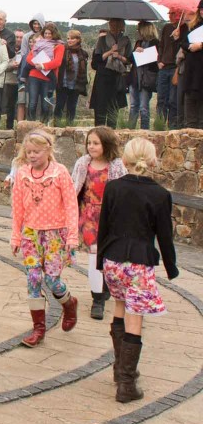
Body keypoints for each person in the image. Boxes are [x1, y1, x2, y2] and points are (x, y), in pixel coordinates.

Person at [97, 138, 177, 404]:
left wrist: (100, 263)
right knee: (135, 317)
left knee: (119, 306)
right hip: (139, 264)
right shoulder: (160, 195)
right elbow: (164, 236)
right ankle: (127, 384)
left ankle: (120, 370)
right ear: (152, 161)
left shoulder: (113, 188)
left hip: (113, 261)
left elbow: (104, 227)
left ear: (126, 160)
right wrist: (171, 265)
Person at [10, 130, 80, 348]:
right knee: (32, 279)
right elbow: (17, 208)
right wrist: (16, 236)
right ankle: (38, 328)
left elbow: (71, 205)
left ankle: (69, 303)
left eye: (36, 152)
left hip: (55, 234)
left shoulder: (60, 173)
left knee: (51, 280)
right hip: (30, 234)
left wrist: (72, 236)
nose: (32, 156)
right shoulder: (22, 174)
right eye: (28, 152)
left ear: (48, 150)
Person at [71, 127, 126, 320]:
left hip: (110, 217)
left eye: (96, 143)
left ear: (106, 144)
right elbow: (74, 187)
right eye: (89, 143)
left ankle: (106, 286)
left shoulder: (116, 165)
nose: (91, 146)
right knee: (94, 257)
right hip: (89, 216)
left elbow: (123, 192)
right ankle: (97, 299)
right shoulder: (83, 163)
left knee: (108, 257)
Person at [89, 19, 132, 128]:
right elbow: (97, 59)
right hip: (103, 76)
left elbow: (129, 60)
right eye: (112, 24)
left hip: (117, 76)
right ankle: (99, 130)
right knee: (100, 106)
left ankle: (111, 132)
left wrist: (119, 56)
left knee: (114, 107)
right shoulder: (102, 39)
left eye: (117, 24)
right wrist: (110, 51)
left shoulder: (126, 41)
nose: (114, 26)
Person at [25, 22, 64, 123]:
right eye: (45, 33)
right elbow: (29, 58)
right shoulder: (39, 43)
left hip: (47, 77)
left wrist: (43, 66)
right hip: (34, 75)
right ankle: (30, 124)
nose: (47, 36)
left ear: (54, 33)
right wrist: (37, 64)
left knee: (45, 105)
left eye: (50, 34)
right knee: (32, 103)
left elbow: (57, 62)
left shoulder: (59, 45)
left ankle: (44, 125)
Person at [55, 30, 89, 125]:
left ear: (78, 40)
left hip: (76, 83)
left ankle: (69, 126)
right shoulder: (62, 50)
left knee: (72, 107)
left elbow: (84, 69)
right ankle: (57, 125)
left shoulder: (83, 53)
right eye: (68, 38)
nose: (69, 41)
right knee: (59, 106)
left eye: (72, 38)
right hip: (63, 83)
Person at [131, 22, 160, 130]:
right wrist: (135, 52)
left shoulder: (155, 43)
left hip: (147, 78)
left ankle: (144, 129)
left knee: (144, 107)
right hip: (135, 78)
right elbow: (131, 60)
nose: (138, 32)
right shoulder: (138, 42)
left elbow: (156, 61)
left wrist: (145, 53)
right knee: (133, 106)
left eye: (139, 29)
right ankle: (131, 128)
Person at [181, 0, 203, 128]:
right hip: (192, 71)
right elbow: (183, 43)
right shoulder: (194, 26)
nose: (202, 12)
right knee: (190, 104)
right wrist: (190, 46)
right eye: (200, 9)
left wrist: (200, 45)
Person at [156, 19, 180, 126]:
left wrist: (177, 39)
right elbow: (161, 45)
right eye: (170, 13)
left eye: (173, 13)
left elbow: (182, 48)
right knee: (161, 99)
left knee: (173, 100)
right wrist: (159, 60)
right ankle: (159, 126)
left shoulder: (183, 28)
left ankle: (172, 127)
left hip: (175, 67)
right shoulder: (166, 27)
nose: (171, 16)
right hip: (163, 67)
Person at [4, 29, 25, 129]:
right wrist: (12, 65)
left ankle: (22, 128)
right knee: (10, 106)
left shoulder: (26, 51)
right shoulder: (6, 49)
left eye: (21, 37)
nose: (19, 39)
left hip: (22, 82)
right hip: (10, 81)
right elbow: (2, 66)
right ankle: (9, 127)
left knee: (22, 105)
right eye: (17, 37)